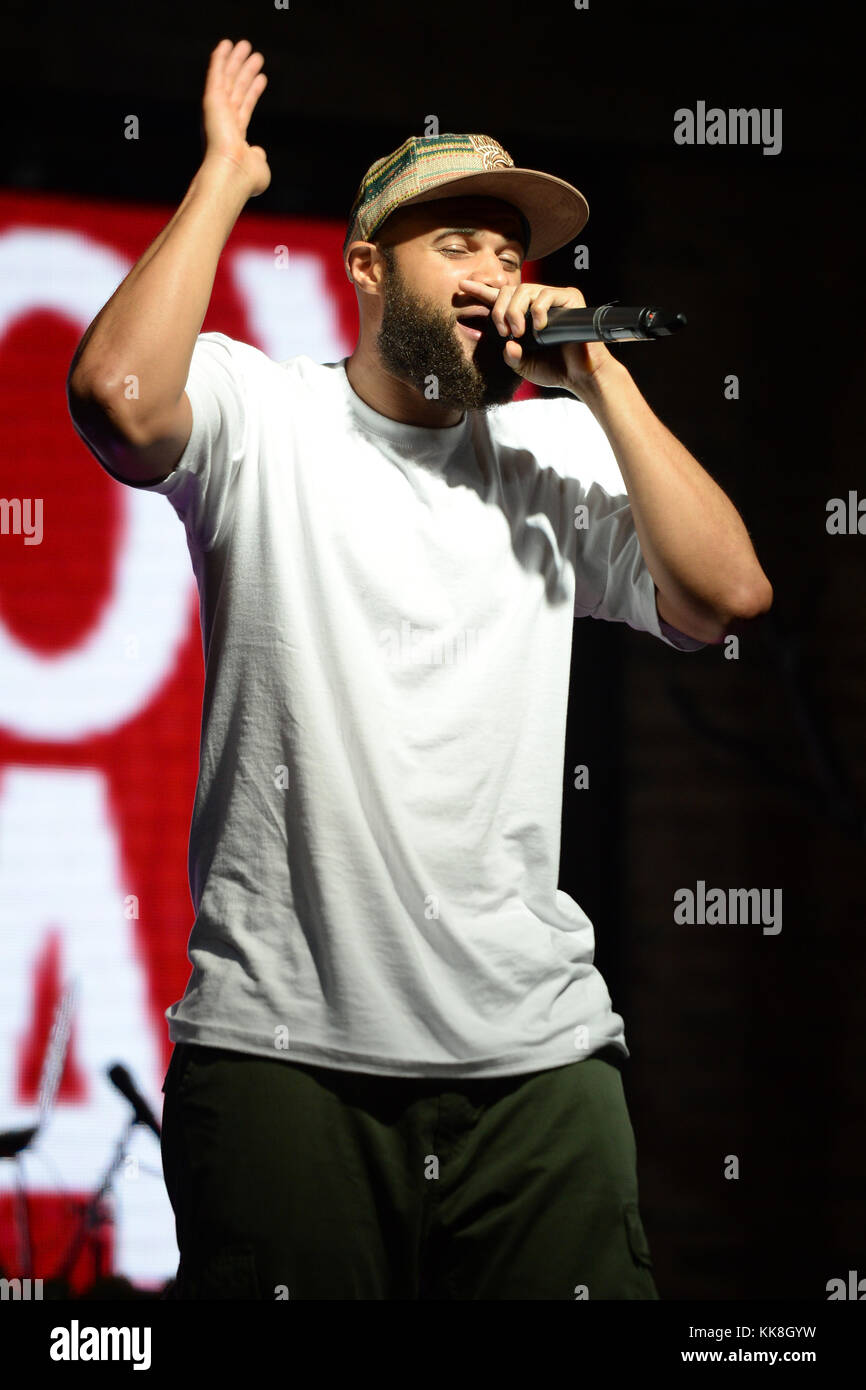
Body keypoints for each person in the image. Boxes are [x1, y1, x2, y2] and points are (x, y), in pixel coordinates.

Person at [66, 38, 773, 1300]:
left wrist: (599, 375)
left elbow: (725, 595)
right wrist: (225, 178)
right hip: (285, 1061)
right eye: (455, 243)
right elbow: (117, 394)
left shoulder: (555, 448)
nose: (494, 271)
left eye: (511, 253)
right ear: (364, 266)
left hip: (536, 1063)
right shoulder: (261, 412)